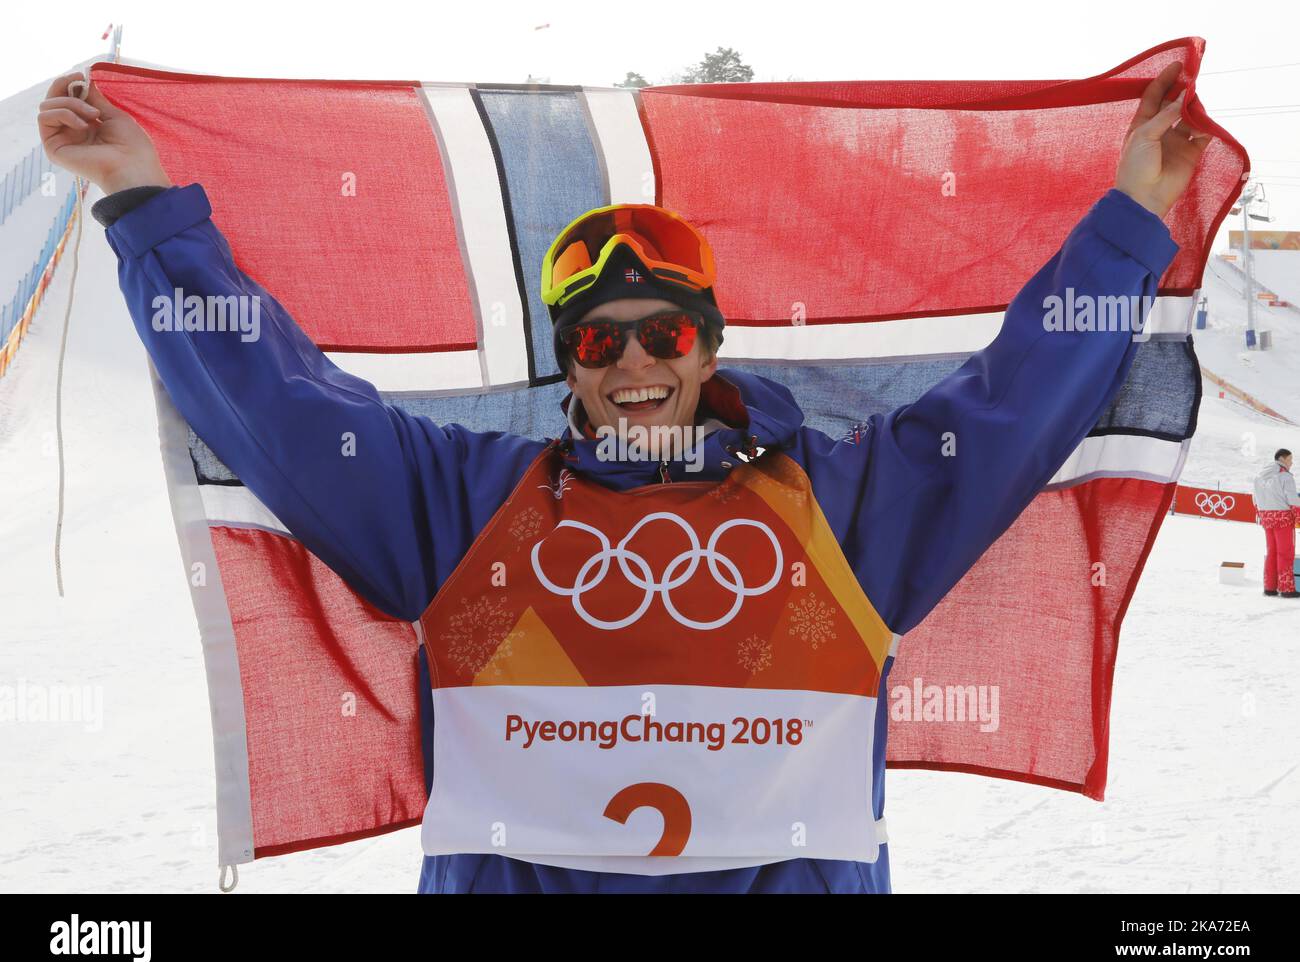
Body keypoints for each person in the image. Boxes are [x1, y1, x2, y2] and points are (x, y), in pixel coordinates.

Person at [38, 60, 1208, 894]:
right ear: (569, 364)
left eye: (664, 333)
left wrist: (1133, 216)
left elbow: (1007, 408)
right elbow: (283, 406)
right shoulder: (464, 508)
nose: (636, 361)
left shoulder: (844, 508)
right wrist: (141, 207)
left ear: (707, 347)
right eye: (599, 338)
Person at [1252, 449, 1300, 598]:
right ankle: (1286, 589)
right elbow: (1292, 500)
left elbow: (1254, 499)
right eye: (1290, 460)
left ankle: (1270, 587)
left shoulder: (1259, 477)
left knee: (1271, 552)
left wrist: (1262, 514)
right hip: (1283, 518)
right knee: (1285, 553)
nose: (1291, 463)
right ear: (1283, 459)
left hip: (1267, 517)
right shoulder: (1285, 476)